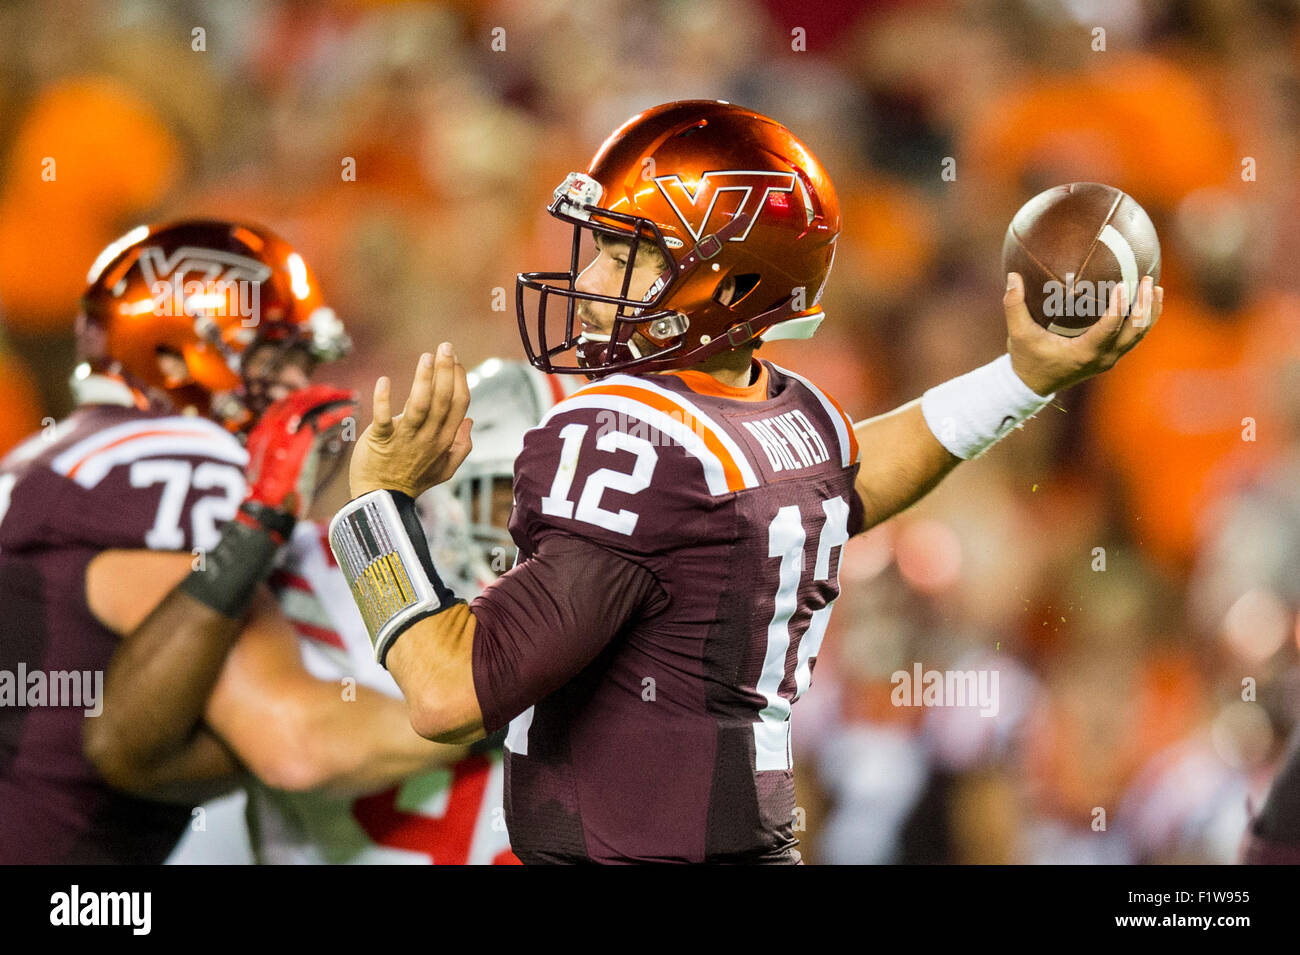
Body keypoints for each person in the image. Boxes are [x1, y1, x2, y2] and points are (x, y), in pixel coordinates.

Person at [331, 100, 1163, 864]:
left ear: (726, 283)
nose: (587, 285)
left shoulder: (624, 435)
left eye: (627, 257)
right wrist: (1020, 379)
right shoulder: (785, 411)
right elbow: (855, 479)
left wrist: (374, 504)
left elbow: (446, 694)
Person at [0, 220, 464, 863]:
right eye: (274, 362)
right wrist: (494, 696)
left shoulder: (46, 456)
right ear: (171, 356)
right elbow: (295, 741)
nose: (299, 391)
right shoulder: (185, 457)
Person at [171, 359, 569, 864]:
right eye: (513, 500)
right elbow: (296, 747)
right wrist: (511, 697)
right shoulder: (325, 570)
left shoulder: (629, 600)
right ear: (446, 497)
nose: (546, 533)